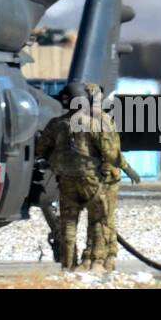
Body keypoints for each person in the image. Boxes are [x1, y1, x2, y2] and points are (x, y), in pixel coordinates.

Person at [34, 82, 108, 270]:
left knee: (68, 225)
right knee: (99, 220)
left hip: (66, 182)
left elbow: (41, 148)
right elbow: (108, 151)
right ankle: (95, 261)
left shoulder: (56, 125)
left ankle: (68, 265)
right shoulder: (94, 125)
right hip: (92, 181)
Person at [80, 83, 141, 272]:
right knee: (95, 219)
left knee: (104, 219)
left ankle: (107, 257)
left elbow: (112, 152)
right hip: (93, 176)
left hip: (108, 176)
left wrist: (127, 168)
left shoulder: (104, 122)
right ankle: (93, 257)